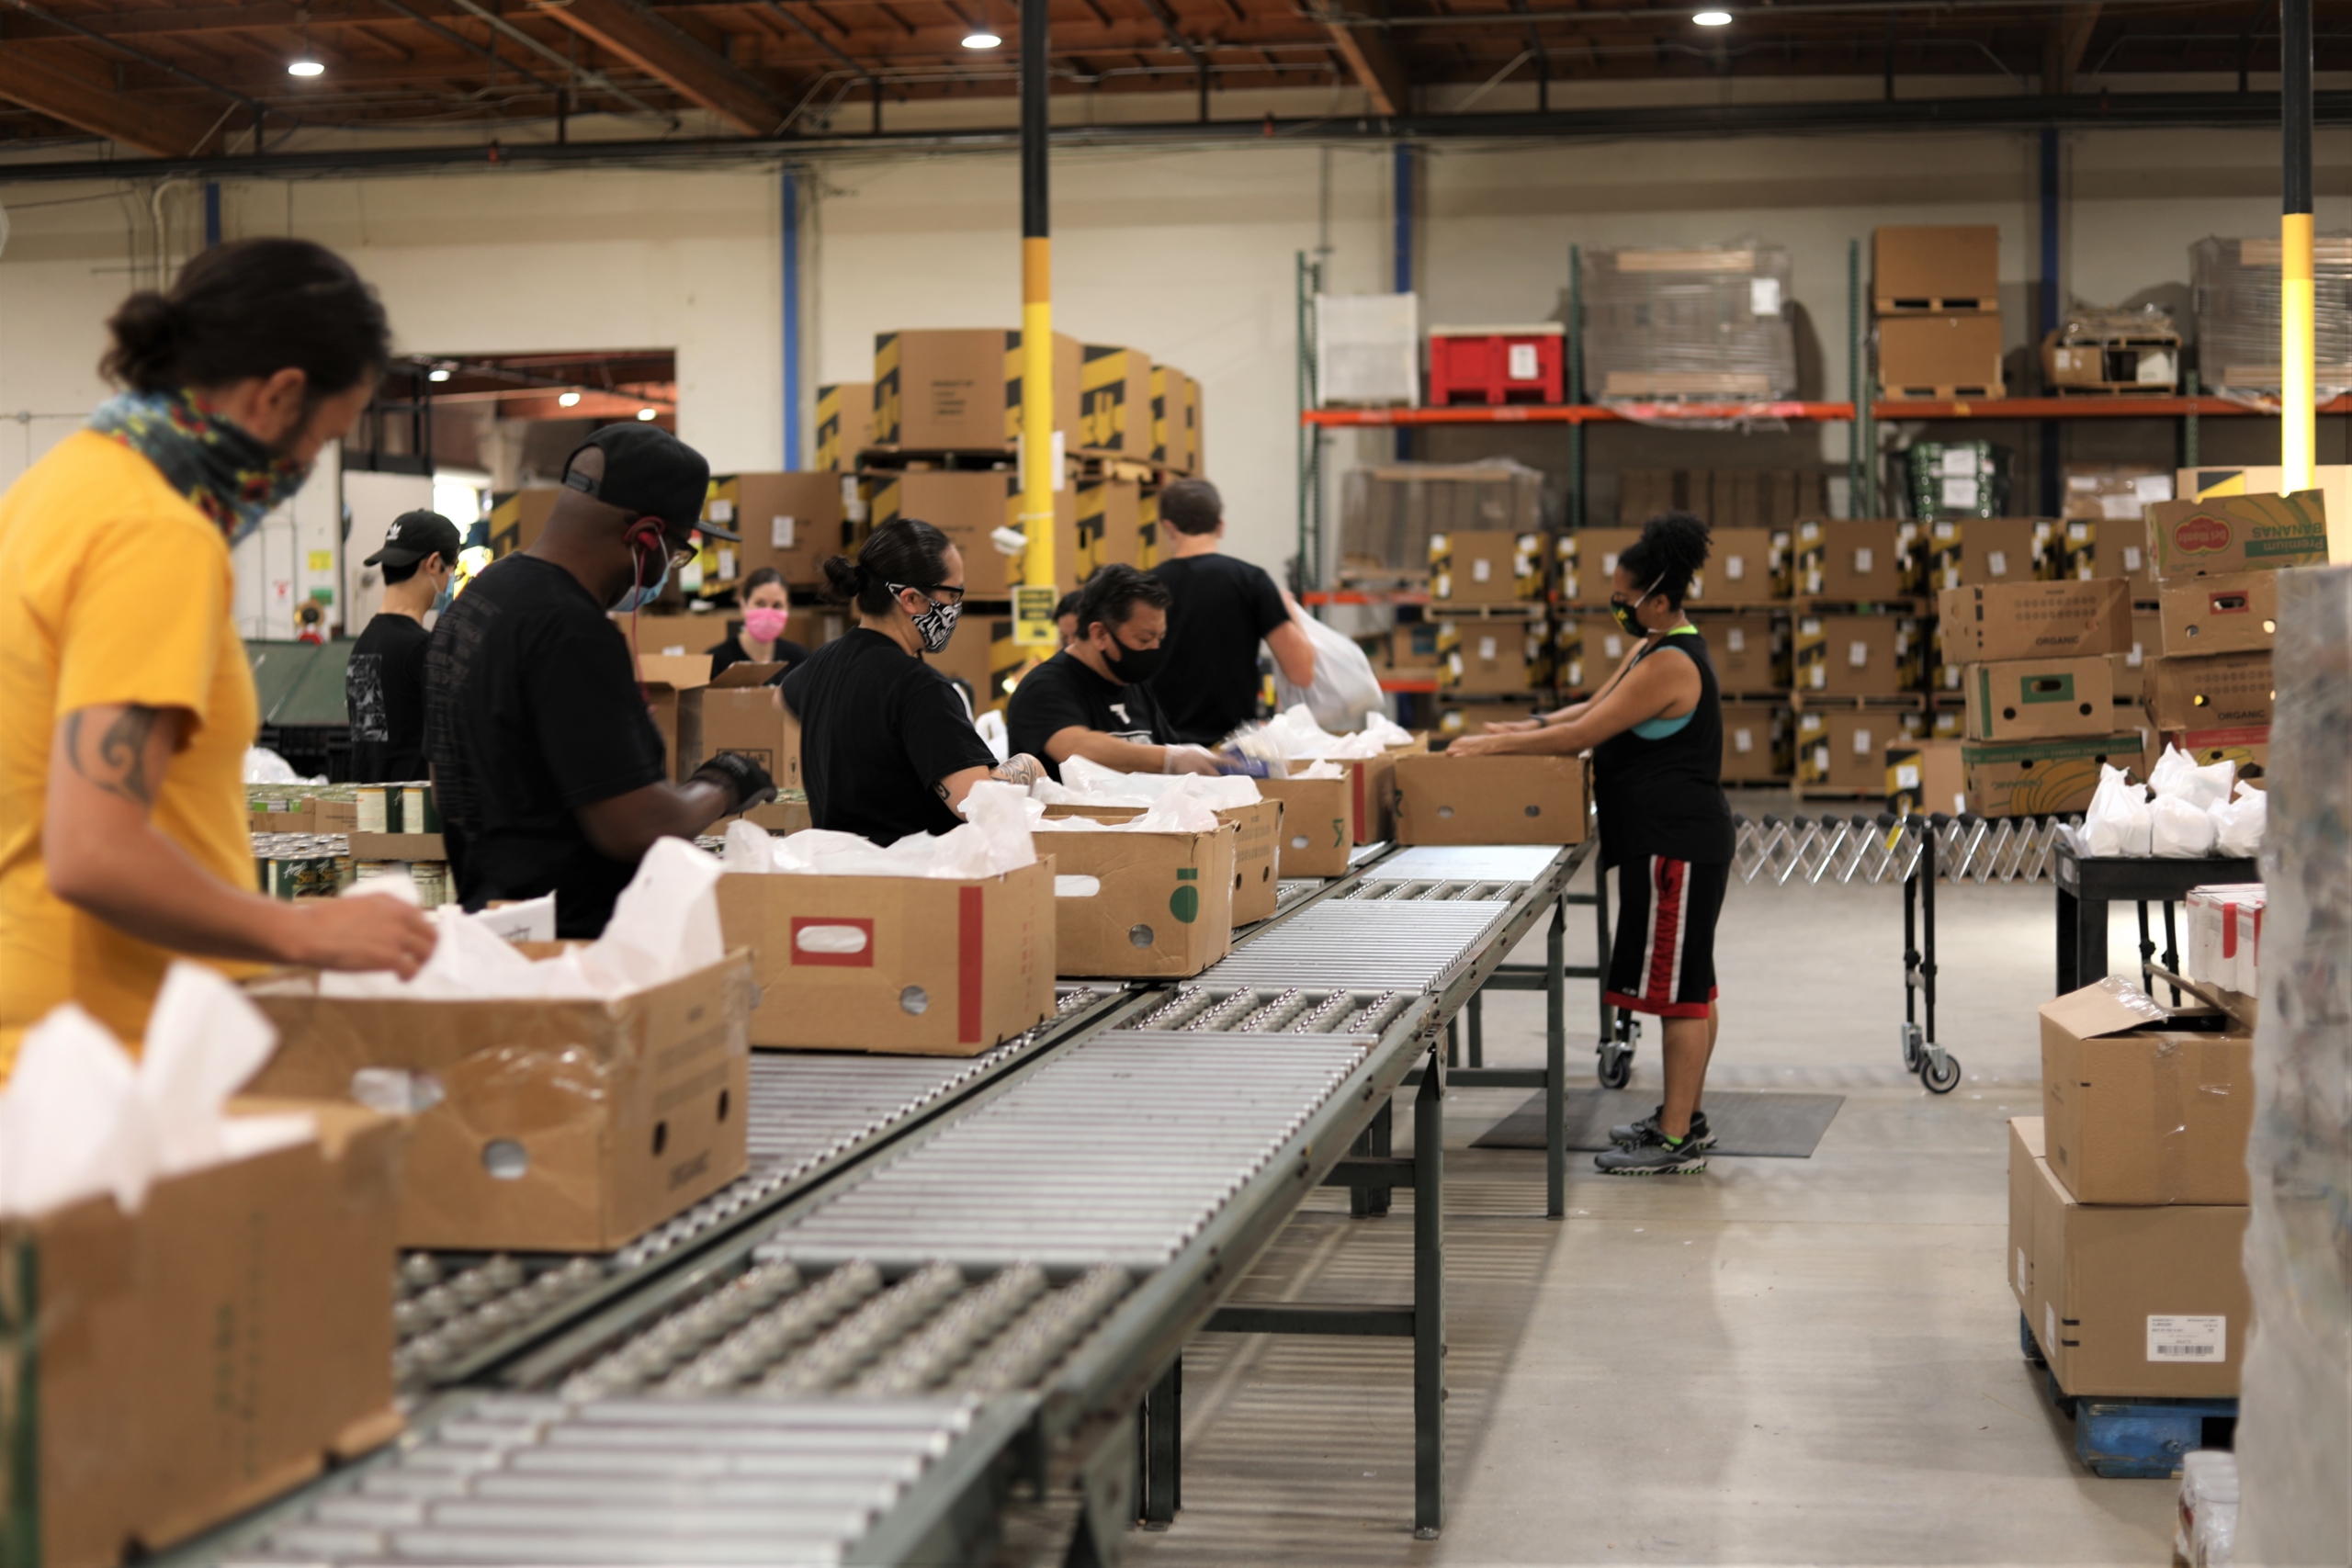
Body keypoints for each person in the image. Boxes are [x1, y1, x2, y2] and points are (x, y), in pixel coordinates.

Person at [0, 238, 437, 1070]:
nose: (305, 468)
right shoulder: (154, 533)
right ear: (280, 395)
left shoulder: (54, 491)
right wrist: (305, 928)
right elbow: (94, 850)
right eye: (325, 439)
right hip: (114, 1048)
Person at [1448, 513, 1733, 1176]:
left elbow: (1585, 736)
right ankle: (1681, 1117)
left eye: (1624, 599)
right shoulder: (1657, 645)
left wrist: (1493, 748)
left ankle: (1674, 1140)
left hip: (1676, 846)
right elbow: (1588, 709)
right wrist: (1525, 723)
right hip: (1668, 841)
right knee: (1693, 984)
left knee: (1681, 993)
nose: (1617, 608)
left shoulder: (1672, 661)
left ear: (1658, 599)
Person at [423, 424, 775, 938]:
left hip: (494, 936)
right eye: (677, 552)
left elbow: (443, 787)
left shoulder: (475, 602)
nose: (669, 569)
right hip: (575, 958)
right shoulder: (571, 632)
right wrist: (723, 783)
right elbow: (637, 828)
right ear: (645, 538)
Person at [780, 518, 1044, 843]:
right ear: (912, 600)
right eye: (953, 594)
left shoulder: (821, 662)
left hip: (839, 874)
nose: (956, 608)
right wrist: (1029, 765)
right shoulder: (919, 687)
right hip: (908, 881)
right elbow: (976, 801)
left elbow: (782, 697)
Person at [1006, 564, 1227, 782]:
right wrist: (1170, 759)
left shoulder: (1132, 684)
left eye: (1159, 638)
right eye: (1144, 639)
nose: (1154, 648)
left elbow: (1168, 749)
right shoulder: (1044, 688)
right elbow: (1075, 747)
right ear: (1100, 634)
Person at [1146, 478, 1317, 744]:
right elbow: (1302, 673)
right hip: (1231, 751)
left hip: (1161, 752)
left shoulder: (1145, 588)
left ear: (1169, 527)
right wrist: (1288, 608)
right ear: (1220, 526)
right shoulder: (1252, 582)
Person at [347, 509, 459, 784]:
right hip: (417, 814)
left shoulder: (364, 644)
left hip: (375, 809)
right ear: (433, 564)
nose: (451, 579)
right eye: (453, 568)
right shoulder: (423, 649)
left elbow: (369, 742)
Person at [708, 566, 809, 679]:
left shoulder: (799, 660)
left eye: (777, 605)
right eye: (760, 603)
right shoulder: (717, 662)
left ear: (787, 608)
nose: (768, 612)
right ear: (743, 605)